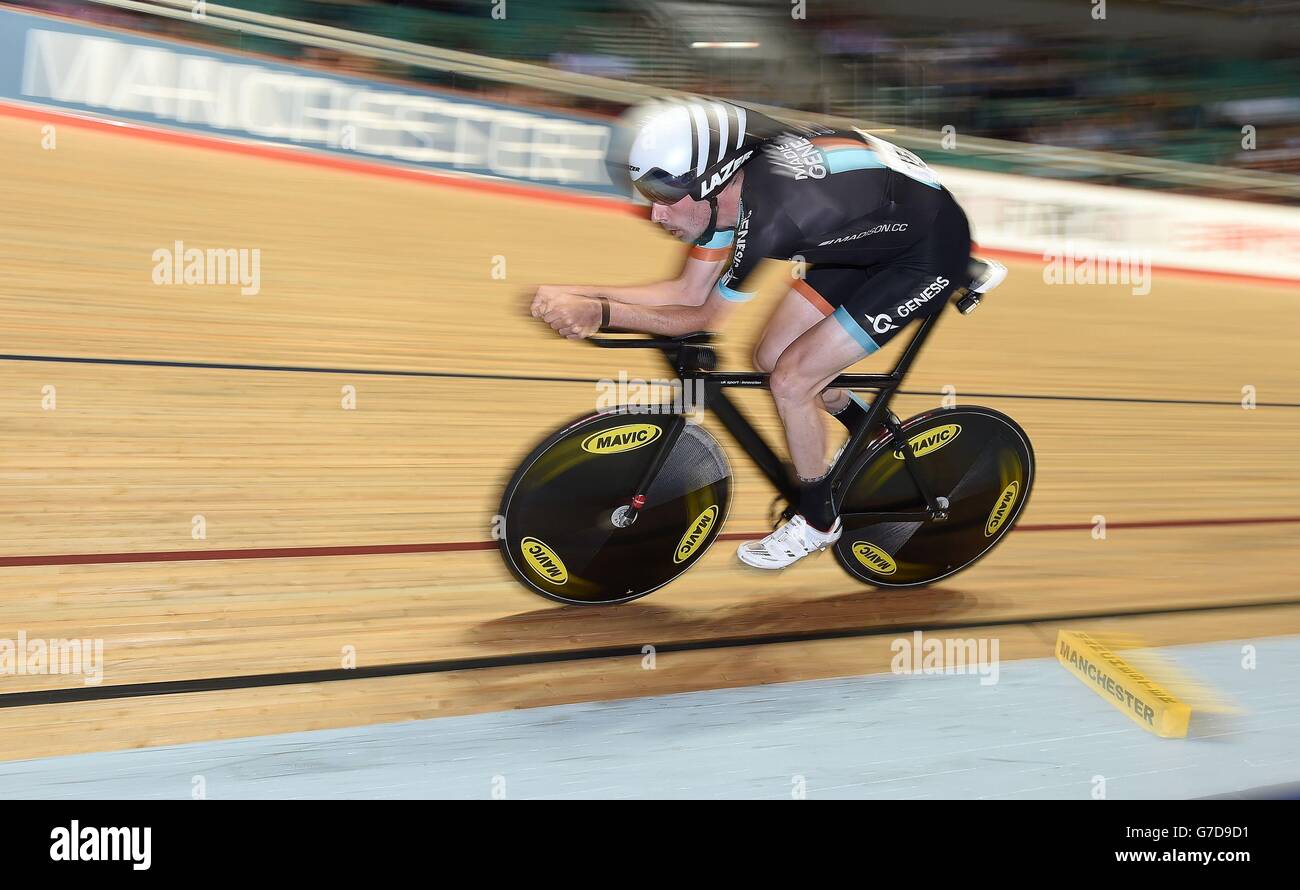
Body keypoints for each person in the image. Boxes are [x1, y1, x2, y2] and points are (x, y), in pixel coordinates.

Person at [530, 98, 1004, 569]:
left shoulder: (775, 215)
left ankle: (819, 521)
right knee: (771, 357)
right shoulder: (726, 192)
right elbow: (686, 289)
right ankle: (870, 429)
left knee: (792, 380)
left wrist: (598, 312)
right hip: (871, 230)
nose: (656, 216)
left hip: (924, 257)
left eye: (663, 197)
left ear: (712, 182)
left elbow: (701, 316)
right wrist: (576, 292)